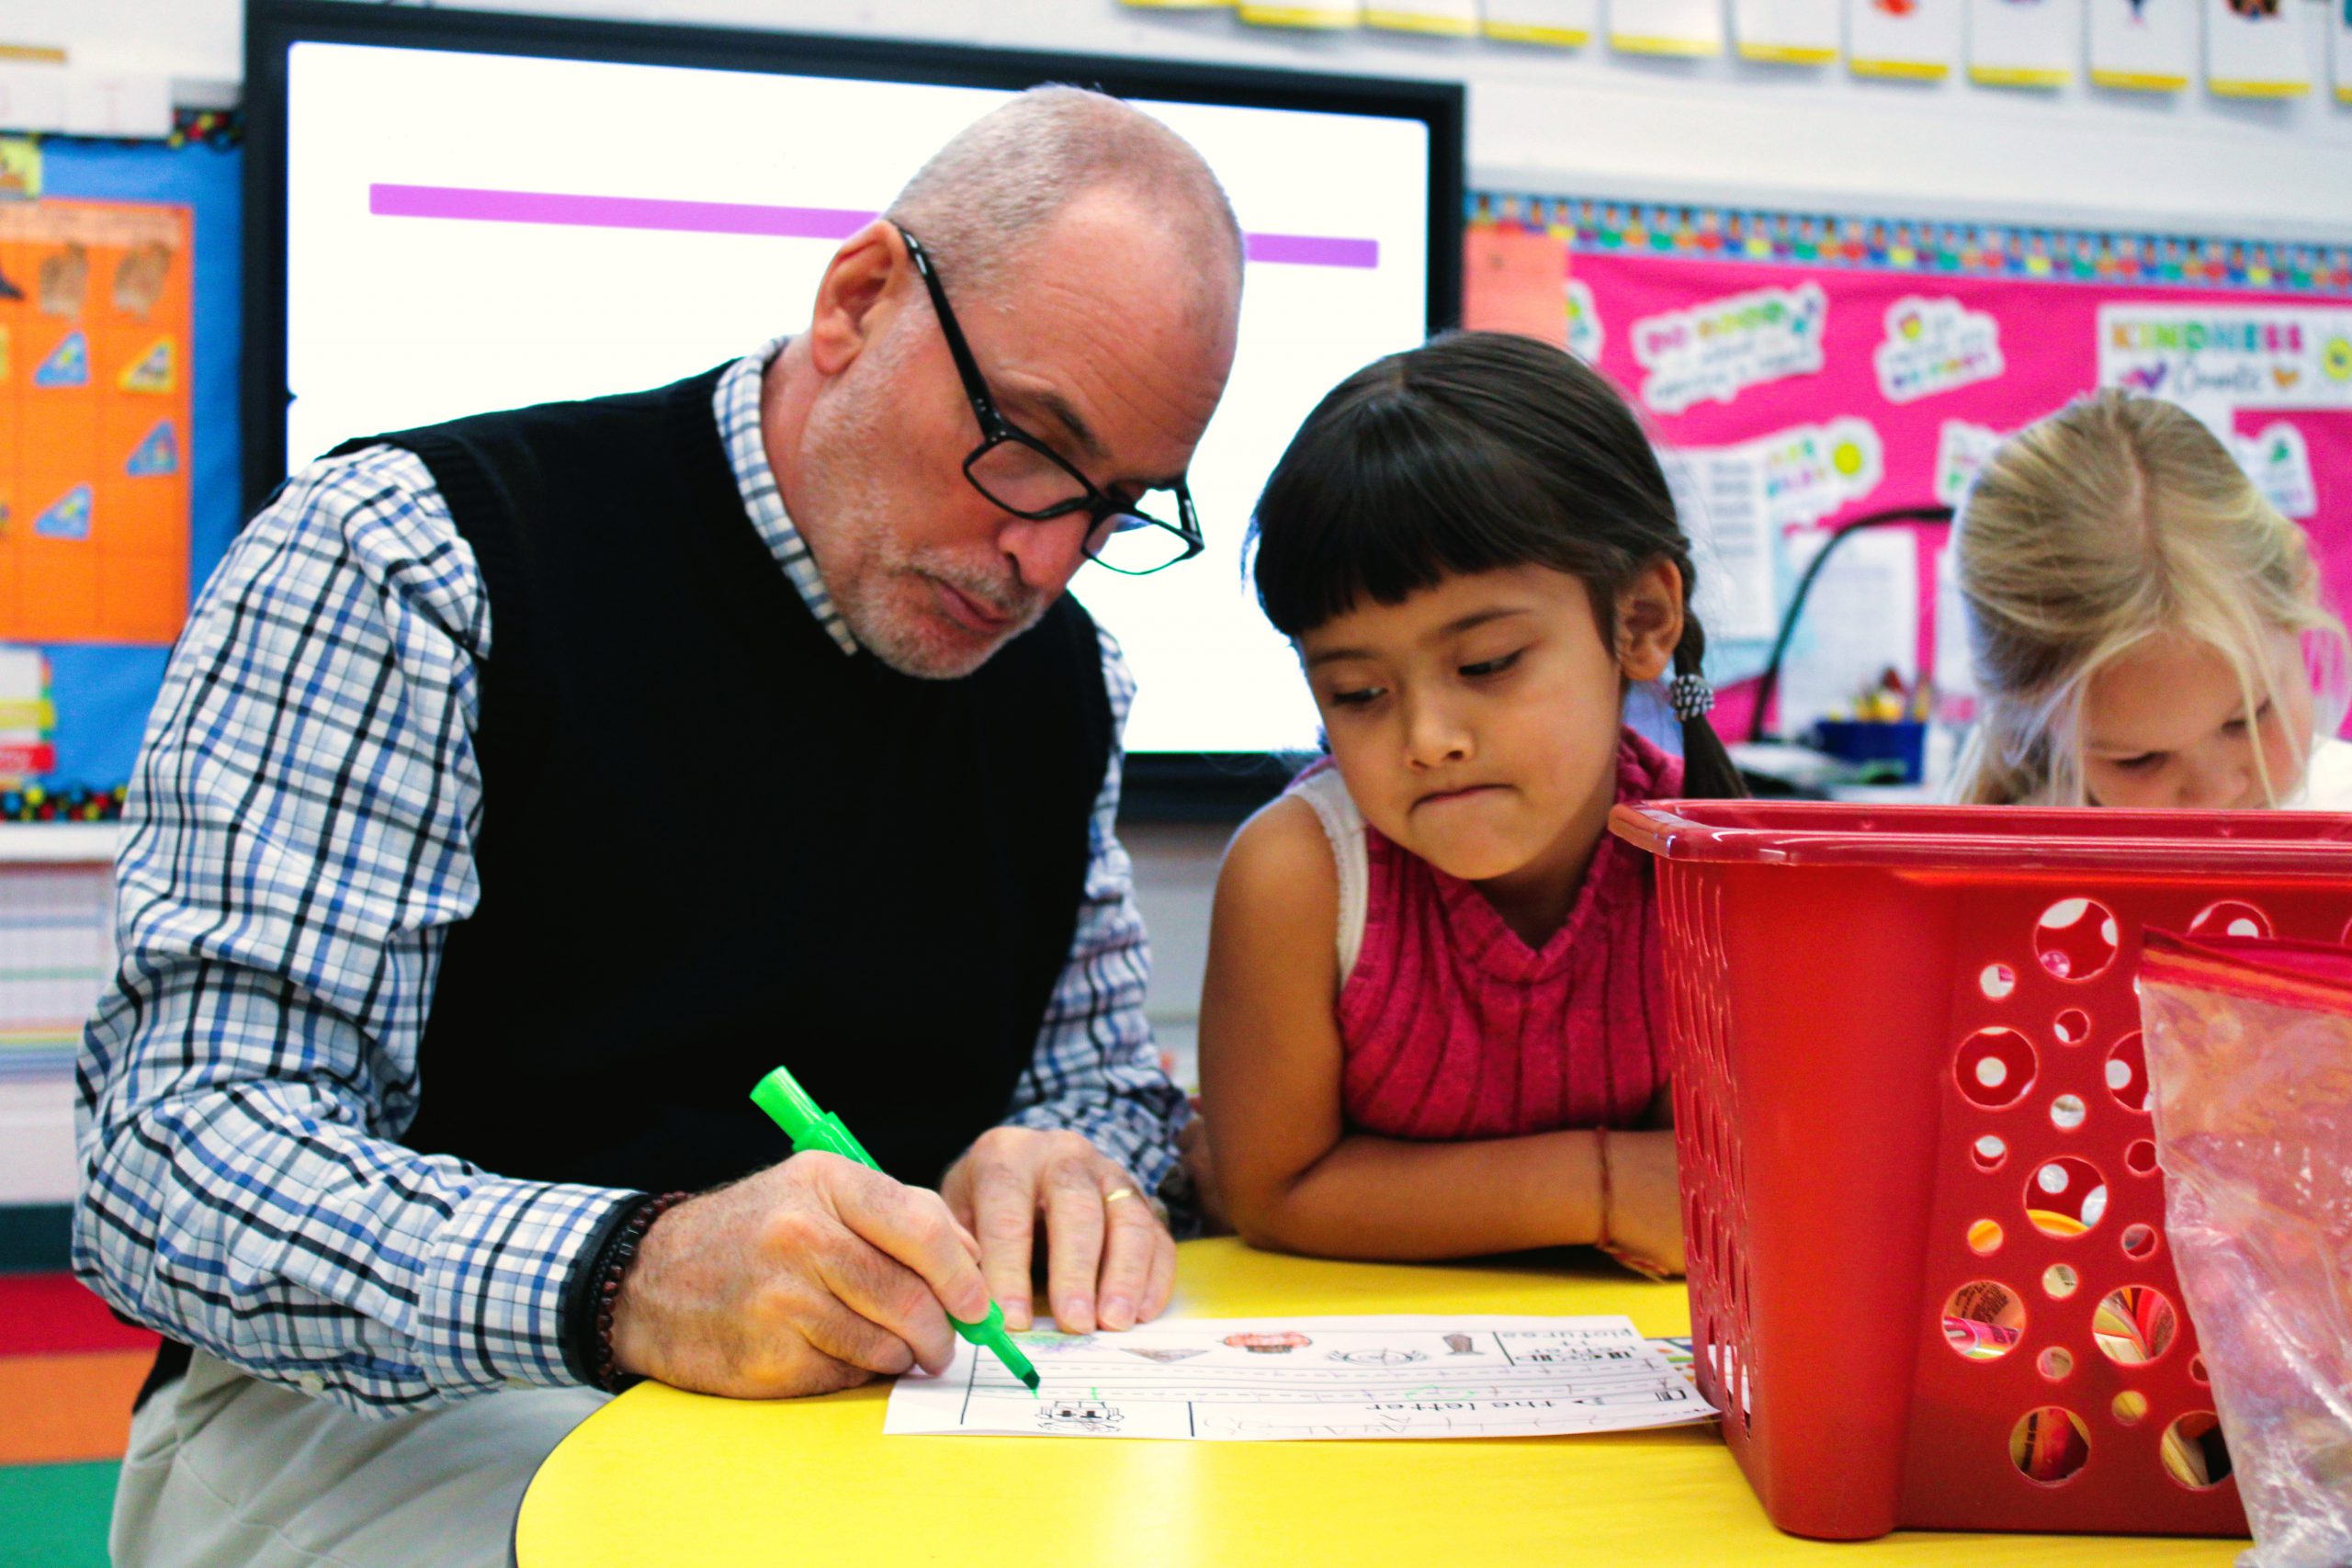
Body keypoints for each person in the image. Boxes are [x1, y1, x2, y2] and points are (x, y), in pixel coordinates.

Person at [74, 86, 1242, 1567]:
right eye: (1023, 443)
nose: (1042, 557)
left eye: (1118, 506)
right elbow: (176, 1154)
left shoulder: (1066, 682)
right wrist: (628, 1273)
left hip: (872, 1416)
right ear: (860, 297)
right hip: (378, 1414)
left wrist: (1064, 1162)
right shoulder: (416, 557)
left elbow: (1096, 1089)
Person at [1195, 332, 1741, 1274]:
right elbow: (1272, 1192)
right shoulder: (1299, 876)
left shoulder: (1708, 874)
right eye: (1358, 693)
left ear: (1642, 622)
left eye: (1486, 665)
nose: (1425, 738)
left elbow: (1711, 1188)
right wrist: (1599, 1187)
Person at [1951, 389, 2352, 808]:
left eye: (2247, 720)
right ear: (2033, 724)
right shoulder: (2016, 868)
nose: (2216, 794)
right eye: (2139, 760)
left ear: (2299, 579)